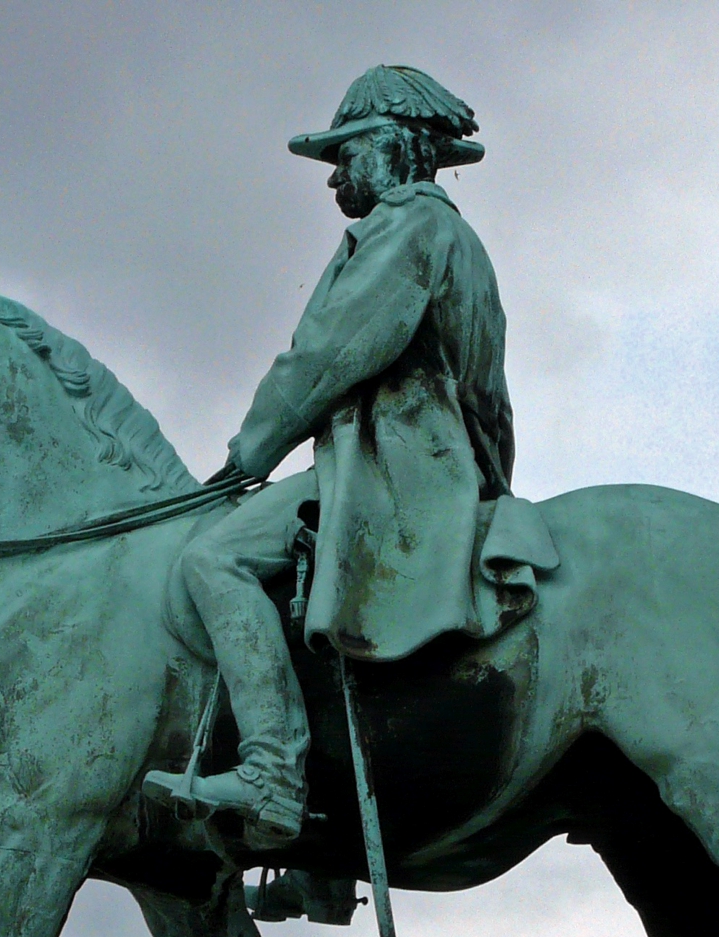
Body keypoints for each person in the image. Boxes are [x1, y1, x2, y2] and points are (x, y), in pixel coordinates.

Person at [144, 65, 514, 848]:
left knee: (215, 559)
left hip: (398, 466)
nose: (336, 176)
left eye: (346, 155)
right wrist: (491, 483)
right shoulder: (455, 237)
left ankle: (271, 773)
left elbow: (327, 354)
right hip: (443, 464)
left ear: (388, 146)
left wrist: (251, 452)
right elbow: (489, 399)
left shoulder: (407, 228)